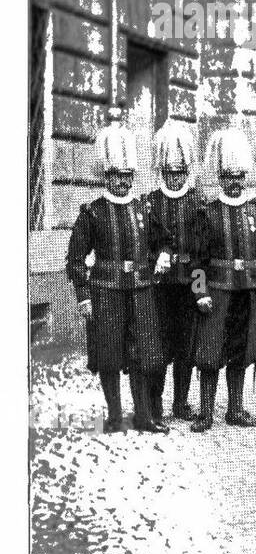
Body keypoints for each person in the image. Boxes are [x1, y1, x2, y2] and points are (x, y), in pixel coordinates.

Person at [65, 117, 171, 433]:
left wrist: (164, 255)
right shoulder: (92, 212)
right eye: (115, 176)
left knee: (143, 352)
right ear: (105, 176)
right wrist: (83, 296)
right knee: (109, 353)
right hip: (105, 291)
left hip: (140, 290)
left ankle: (143, 415)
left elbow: (164, 239)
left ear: (132, 176)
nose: (121, 182)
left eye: (126, 176)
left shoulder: (143, 209)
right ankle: (113, 415)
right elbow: (74, 259)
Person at [188, 128, 256, 432]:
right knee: (211, 350)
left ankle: (236, 409)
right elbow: (197, 260)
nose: (235, 181)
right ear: (220, 177)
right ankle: (205, 412)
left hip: (249, 292)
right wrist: (200, 292)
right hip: (217, 292)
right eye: (228, 175)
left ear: (246, 176)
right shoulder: (208, 213)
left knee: (241, 349)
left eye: (239, 175)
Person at [145, 118, 202, 421]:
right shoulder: (150, 203)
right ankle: (156, 404)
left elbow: (202, 255)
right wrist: (157, 257)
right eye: (169, 172)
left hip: (188, 283)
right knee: (159, 346)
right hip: (160, 286)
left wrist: (200, 290)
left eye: (180, 172)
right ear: (162, 171)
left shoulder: (197, 203)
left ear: (187, 171)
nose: (175, 178)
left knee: (186, 348)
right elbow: (143, 245)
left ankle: (180, 403)